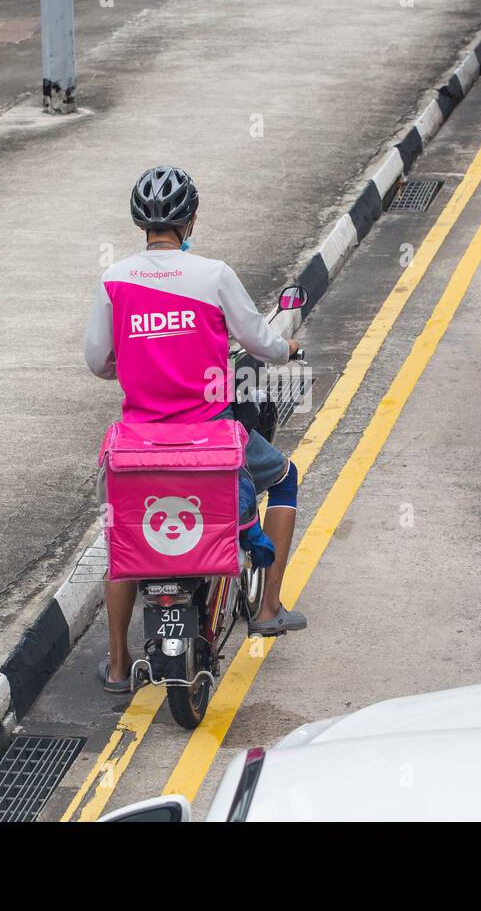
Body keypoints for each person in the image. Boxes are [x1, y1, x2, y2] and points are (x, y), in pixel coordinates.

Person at [84, 166, 307, 693]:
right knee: (286, 476)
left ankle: (118, 667)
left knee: (125, 537)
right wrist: (289, 348)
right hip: (210, 436)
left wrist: (132, 360)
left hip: (139, 442)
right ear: (191, 221)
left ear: (140, 223)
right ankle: (269, 605)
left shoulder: (114, 280)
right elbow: (262, 343)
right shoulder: (214, 275)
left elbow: (97, 361)